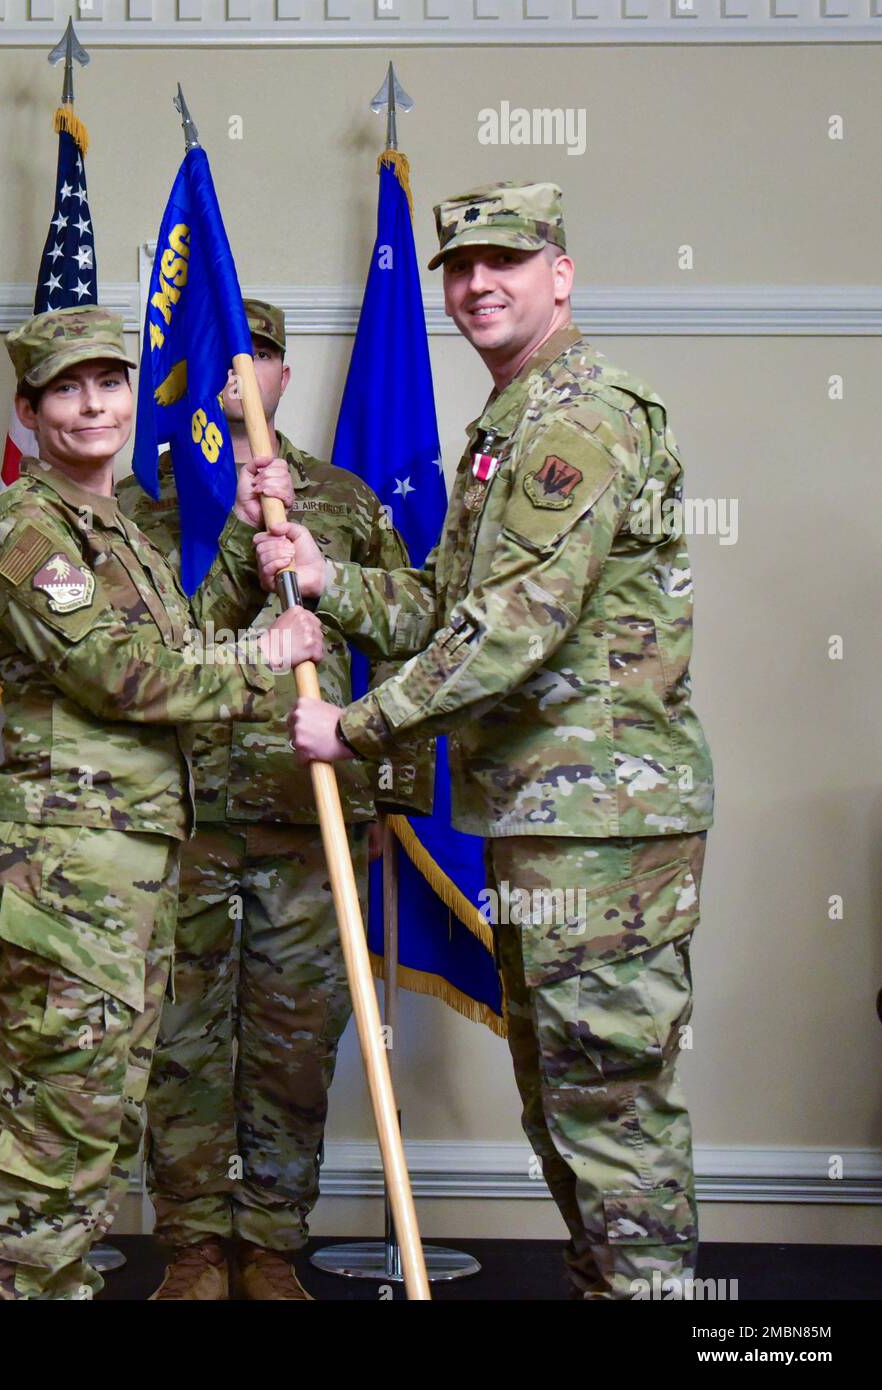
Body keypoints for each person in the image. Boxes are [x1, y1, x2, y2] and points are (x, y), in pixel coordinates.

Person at [253, 183, 715, 1300]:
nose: (476, 284)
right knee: (565, 1099)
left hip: (600, 824)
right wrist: (324, 577)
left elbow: (512, 629)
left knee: (605, 1105)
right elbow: (445, 608)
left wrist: (351, 726)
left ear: (563, 272)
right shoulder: (508, 427)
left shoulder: (579, 417)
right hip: (541, 818)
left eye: (504, 260)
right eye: (458, 268)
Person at [0, 304, 324, 1301]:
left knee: (108, 1112)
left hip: (128, 862)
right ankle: (33, 1284)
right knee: (63, 1118)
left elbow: (181, 640)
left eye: (109, 382)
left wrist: (252, 546)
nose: (94, 404)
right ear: (29, 410)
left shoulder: (117, 531)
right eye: (67, 387)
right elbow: (126, 676)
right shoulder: (26, 528)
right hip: (65, 864)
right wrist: (265, 660)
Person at [118, 298, 434, 1300]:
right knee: (183, 1044)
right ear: (194, 378)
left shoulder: (343, 498)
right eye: (223, 358)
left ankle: (270, 1245)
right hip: (188, 813)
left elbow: (411, 634)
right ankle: (193, 1248)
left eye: (260, 354)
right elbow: (134, 660)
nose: (241, 373)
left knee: (296, 1049)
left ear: (286, 374)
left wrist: (387, 798)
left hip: (314, 821)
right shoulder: (144, 503)